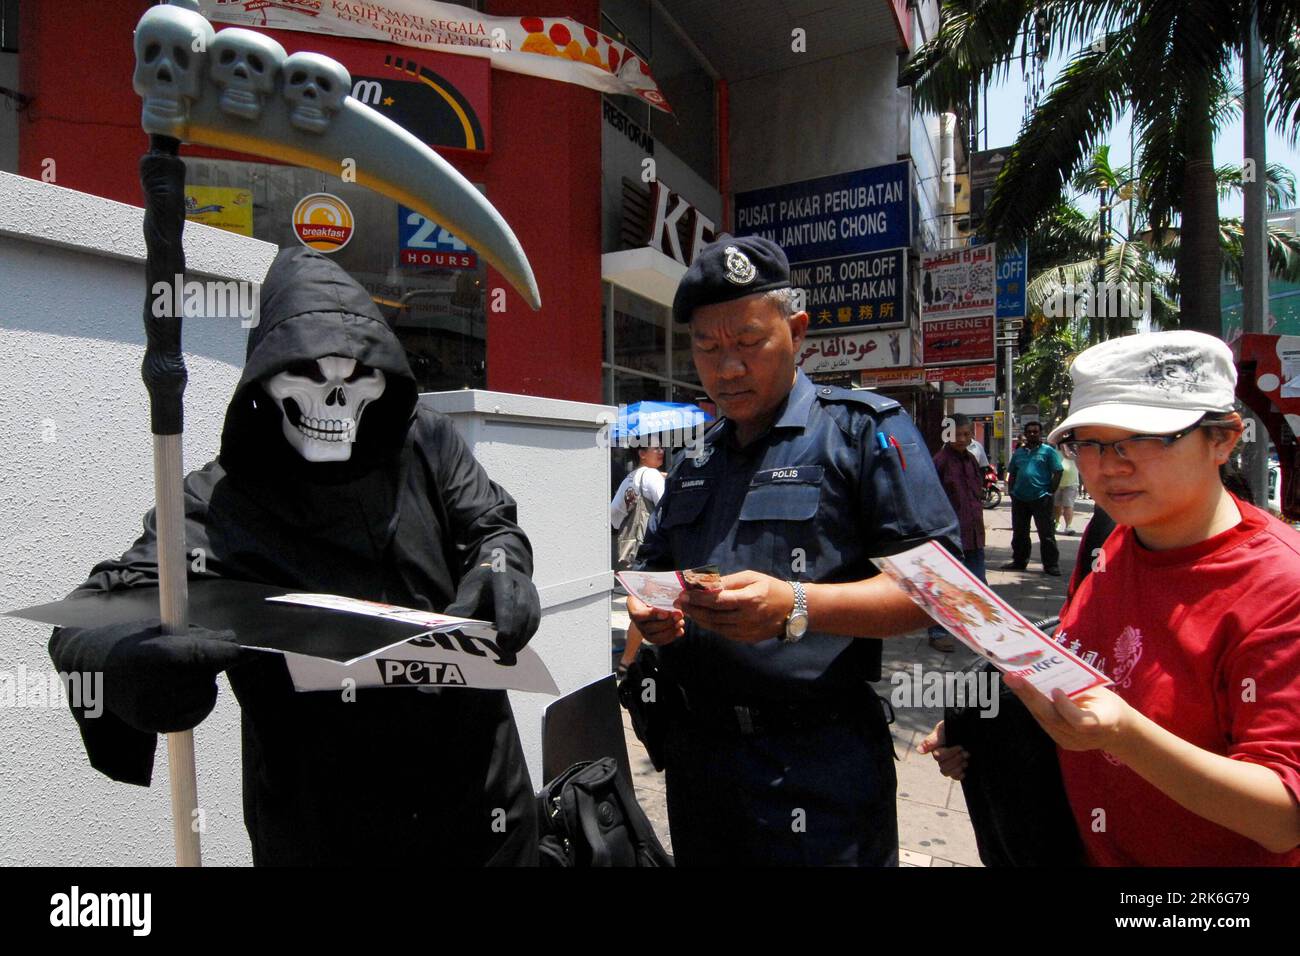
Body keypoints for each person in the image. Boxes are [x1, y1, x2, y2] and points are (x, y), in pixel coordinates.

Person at [47, 248, 542, 865]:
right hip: (325, 835)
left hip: (483, 813)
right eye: (307, 375)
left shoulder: (424, 441)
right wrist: (129, 659)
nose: (334, 400)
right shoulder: (219, 501)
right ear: (265, 380)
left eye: (355, 376)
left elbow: (490, 522)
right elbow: (92, 614)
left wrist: (501, 568)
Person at [626, 235, 960, 866]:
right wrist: (656, 613)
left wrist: (798, 604)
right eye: (707, 347)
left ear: (797, 329)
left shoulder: (862, 432)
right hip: (701, 764)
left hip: (820, 766)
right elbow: (654, 568)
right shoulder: (694, 457)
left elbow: (943, 593)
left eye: (749, 342)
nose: (727, 368)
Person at [924, 330, 1300, 865]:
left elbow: (1284, 818)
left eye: (1143, 440)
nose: (1109, 467)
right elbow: (1083, 670)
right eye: (1091, 444)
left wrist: (1124, 735)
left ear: (1222, 439)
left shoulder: (1281, 586)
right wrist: (991, 723)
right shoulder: (1116, 538)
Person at [927, 414, 987, 653]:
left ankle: (978, 631)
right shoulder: (939, 462)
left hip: (974, 535)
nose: (961, 439)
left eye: (966, 434)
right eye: (956, 434)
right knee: (946, 587)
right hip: (950, 537)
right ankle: (938, 631)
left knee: (978, 586)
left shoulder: (972, 460)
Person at [610, 445, 666, 677]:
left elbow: (613, 513)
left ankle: (627, 660)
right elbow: (670, 506)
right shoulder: (652, 476)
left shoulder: (630, 479)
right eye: (655, 448)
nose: (662, 451)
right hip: (656, 551)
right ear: (641, 453)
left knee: (645, 603)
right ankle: (628, 660)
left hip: (634, 551)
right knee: (652, 605)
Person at [1002, 421, 1064, 575]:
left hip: (1041, 498)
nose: (1032, 434)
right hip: (1020, 499)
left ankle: (1051, 565)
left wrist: (1051, 490)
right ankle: (1019, 561)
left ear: (1040, 433)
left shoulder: (1048, 452)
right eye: (1029, 432)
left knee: (1046, 533)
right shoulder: (1019, 453)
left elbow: (1058, 471)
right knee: (1020, 533)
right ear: (1025, 434)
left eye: (1035, 432)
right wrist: (1011, 490)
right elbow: (1012, 472)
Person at [1054, 454, 1080, 534]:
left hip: (1071, 482)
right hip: (1056, 482)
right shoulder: (1053, 450)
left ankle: (1068, 526)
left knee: (1068, 505)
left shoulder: (1073, 449)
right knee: (1056, 505)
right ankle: (1056, 522)